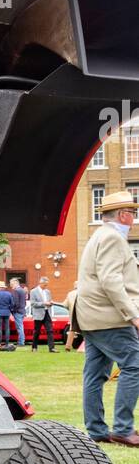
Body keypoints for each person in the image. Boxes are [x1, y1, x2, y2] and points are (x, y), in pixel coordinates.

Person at [76, 190, 139, 446]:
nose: (134, 218)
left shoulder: (99, 236)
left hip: (91, 316)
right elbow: (111, 280)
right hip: (109, 317)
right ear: (123, 215)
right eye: (133, 213)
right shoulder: (113, 238)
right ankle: (123, 428)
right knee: (134, 365)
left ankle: (96, 430)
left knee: (94, 374)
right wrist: (133, 315)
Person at [30, 277, 55, 351]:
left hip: (47, 313)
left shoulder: (48, 291)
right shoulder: (33, 291)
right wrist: (44, 303)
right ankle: (34, 347)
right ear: (40, 283)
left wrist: (50, 303)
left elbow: (49, 301)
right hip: (38, 314)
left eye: (47, 285)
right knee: (37, 331)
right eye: (45, 285)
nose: (46, 286)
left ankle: (52, 348)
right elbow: (33, 304)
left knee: (50, 330)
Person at [9, 276, 27, 348]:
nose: (10, 285)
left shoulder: (16, 291)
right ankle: (20, 341)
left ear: (15, 283)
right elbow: (24, 302)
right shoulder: (22, 290)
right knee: (20, 327)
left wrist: (13, 310)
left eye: (11, 283)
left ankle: (21, 342)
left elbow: (15, 303)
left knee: (19, 327)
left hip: (18, 312)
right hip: (22, 311)